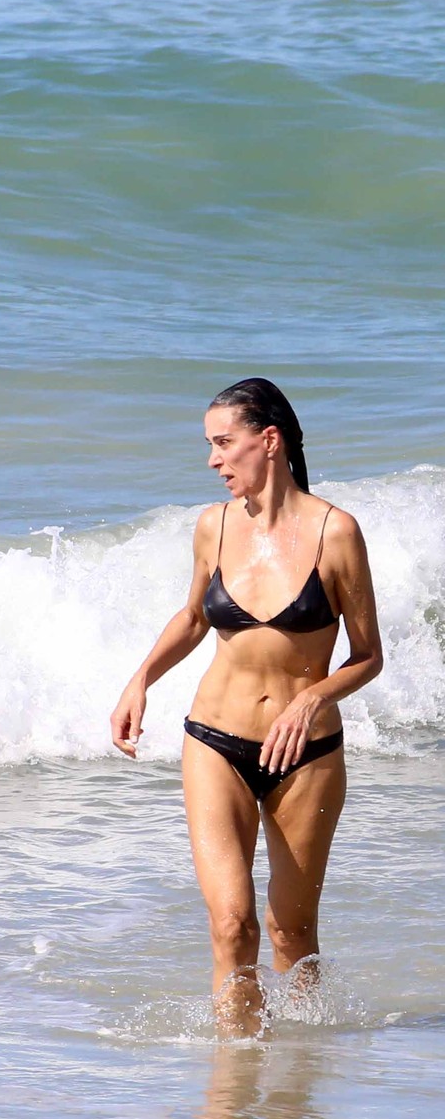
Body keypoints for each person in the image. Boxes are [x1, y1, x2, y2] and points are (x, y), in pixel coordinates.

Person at [110, 378, 382, 1036]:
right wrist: (140, 677)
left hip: (306, 753)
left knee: (292, 932)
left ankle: (298, 1074)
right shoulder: (214, 525)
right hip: (215, 741)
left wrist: (314, 697)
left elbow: (368, 655)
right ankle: (236, 1073)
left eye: (223, 442)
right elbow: (193, 616)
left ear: (269, 440)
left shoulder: (336, 532)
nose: (213, 459)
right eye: (210, 445)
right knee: (232, 921)